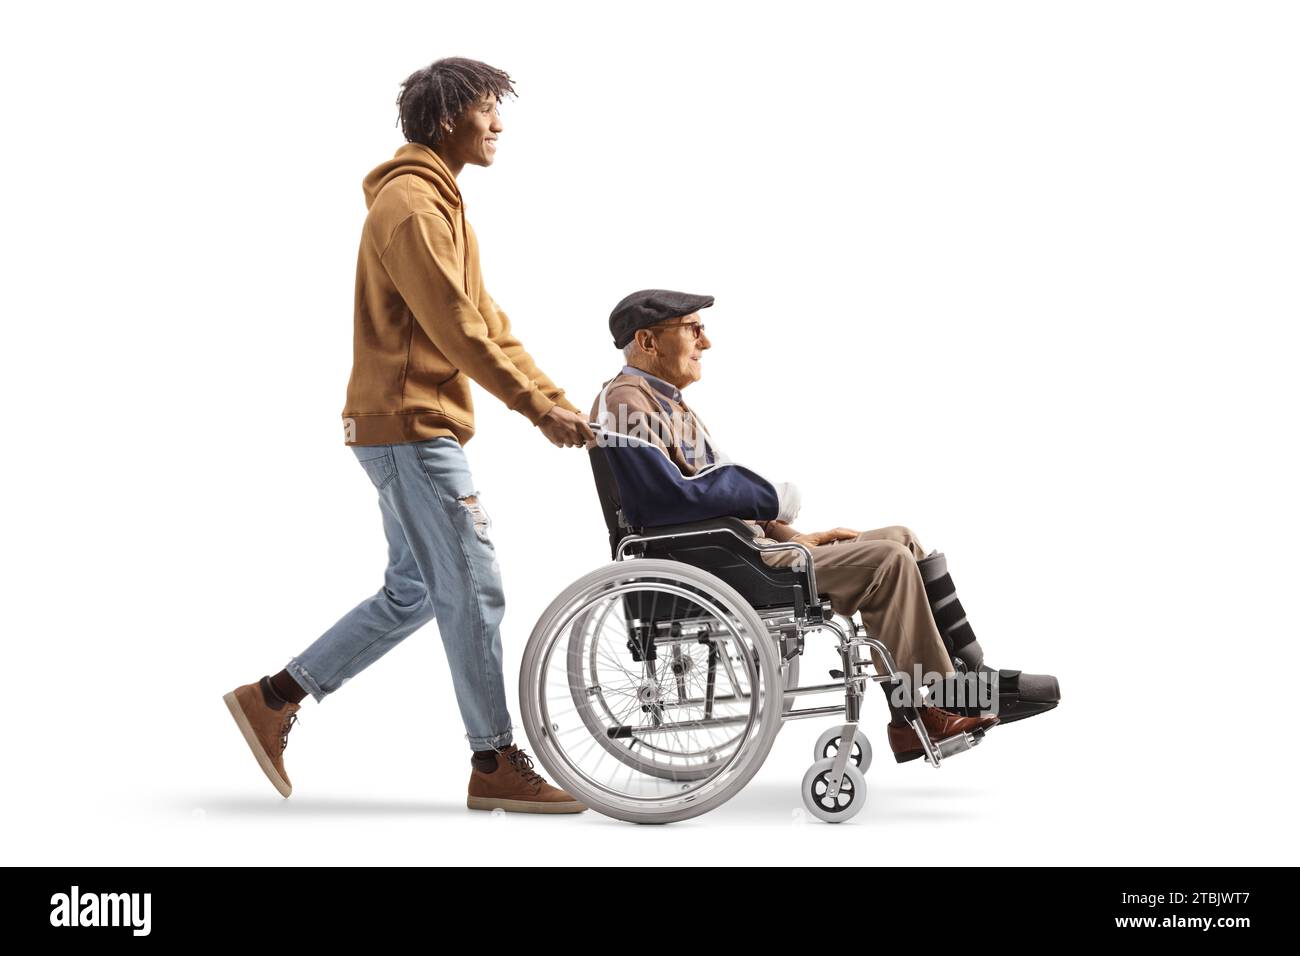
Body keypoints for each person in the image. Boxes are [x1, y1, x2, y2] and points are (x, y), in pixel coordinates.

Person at [224, 57, 593, 812]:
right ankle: (492, 762)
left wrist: (555, 399)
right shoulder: (415, 209)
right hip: (411, 428)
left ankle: (272, 698)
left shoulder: (442, 205)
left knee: (416, 589)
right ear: (446, 116)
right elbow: (458, 332)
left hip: (405, 426)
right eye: (488, 108)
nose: (499, 124)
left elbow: (488, 322)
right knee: (475, 585)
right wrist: (533, 408)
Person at [588, 289, 1060, 763]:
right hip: (715, 564)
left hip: (736, 551)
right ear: (647, 341)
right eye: (693, 329)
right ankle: (926, 707)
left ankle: (972, 672)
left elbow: (711, 499)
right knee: (887, 561)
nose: (704, 342)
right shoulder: (627, 400)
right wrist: (771, 498)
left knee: (902, 538)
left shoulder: (667, 403)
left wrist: (795, 538)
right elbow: (664, 502)